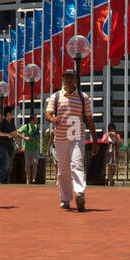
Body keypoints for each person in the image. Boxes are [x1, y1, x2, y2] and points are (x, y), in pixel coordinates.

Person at [46, 69, 96, 211]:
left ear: (76, 79)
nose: (68, 79)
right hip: (61, 138)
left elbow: (88, 119)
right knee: (63, 170)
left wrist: (95, 140)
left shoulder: (82, 97)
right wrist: (52, 119)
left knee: (77, 164)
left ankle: (79, 193)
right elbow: (47, 114)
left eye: (71, 76)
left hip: (77, 136)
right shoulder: (55, 97)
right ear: (62, 79)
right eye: (66, 76)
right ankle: (65, 198)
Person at [0, 104, 19, 184]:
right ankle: (1, 179)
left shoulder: (12, 122)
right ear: (8, 113)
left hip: (10, 145)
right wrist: (7, 134)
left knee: (10, 162)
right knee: (6, 160)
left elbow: (15, 132)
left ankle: (5, 179)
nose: (13, 114)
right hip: (2, 144)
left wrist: (18, 141)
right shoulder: (2, 121)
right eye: (12, 113)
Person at [18, 114, 41, 184]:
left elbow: (38, 136)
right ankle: (28, 179)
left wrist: (38, 138)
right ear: (32, 120)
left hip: (35, 147)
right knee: (27, 164)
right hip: (27, 147)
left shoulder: (37, 127)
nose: (37, 120)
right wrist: (24, 138)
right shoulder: (26, 126)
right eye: (36, 119)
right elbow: (17, 132)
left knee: (35, 163)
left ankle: (34, 179)